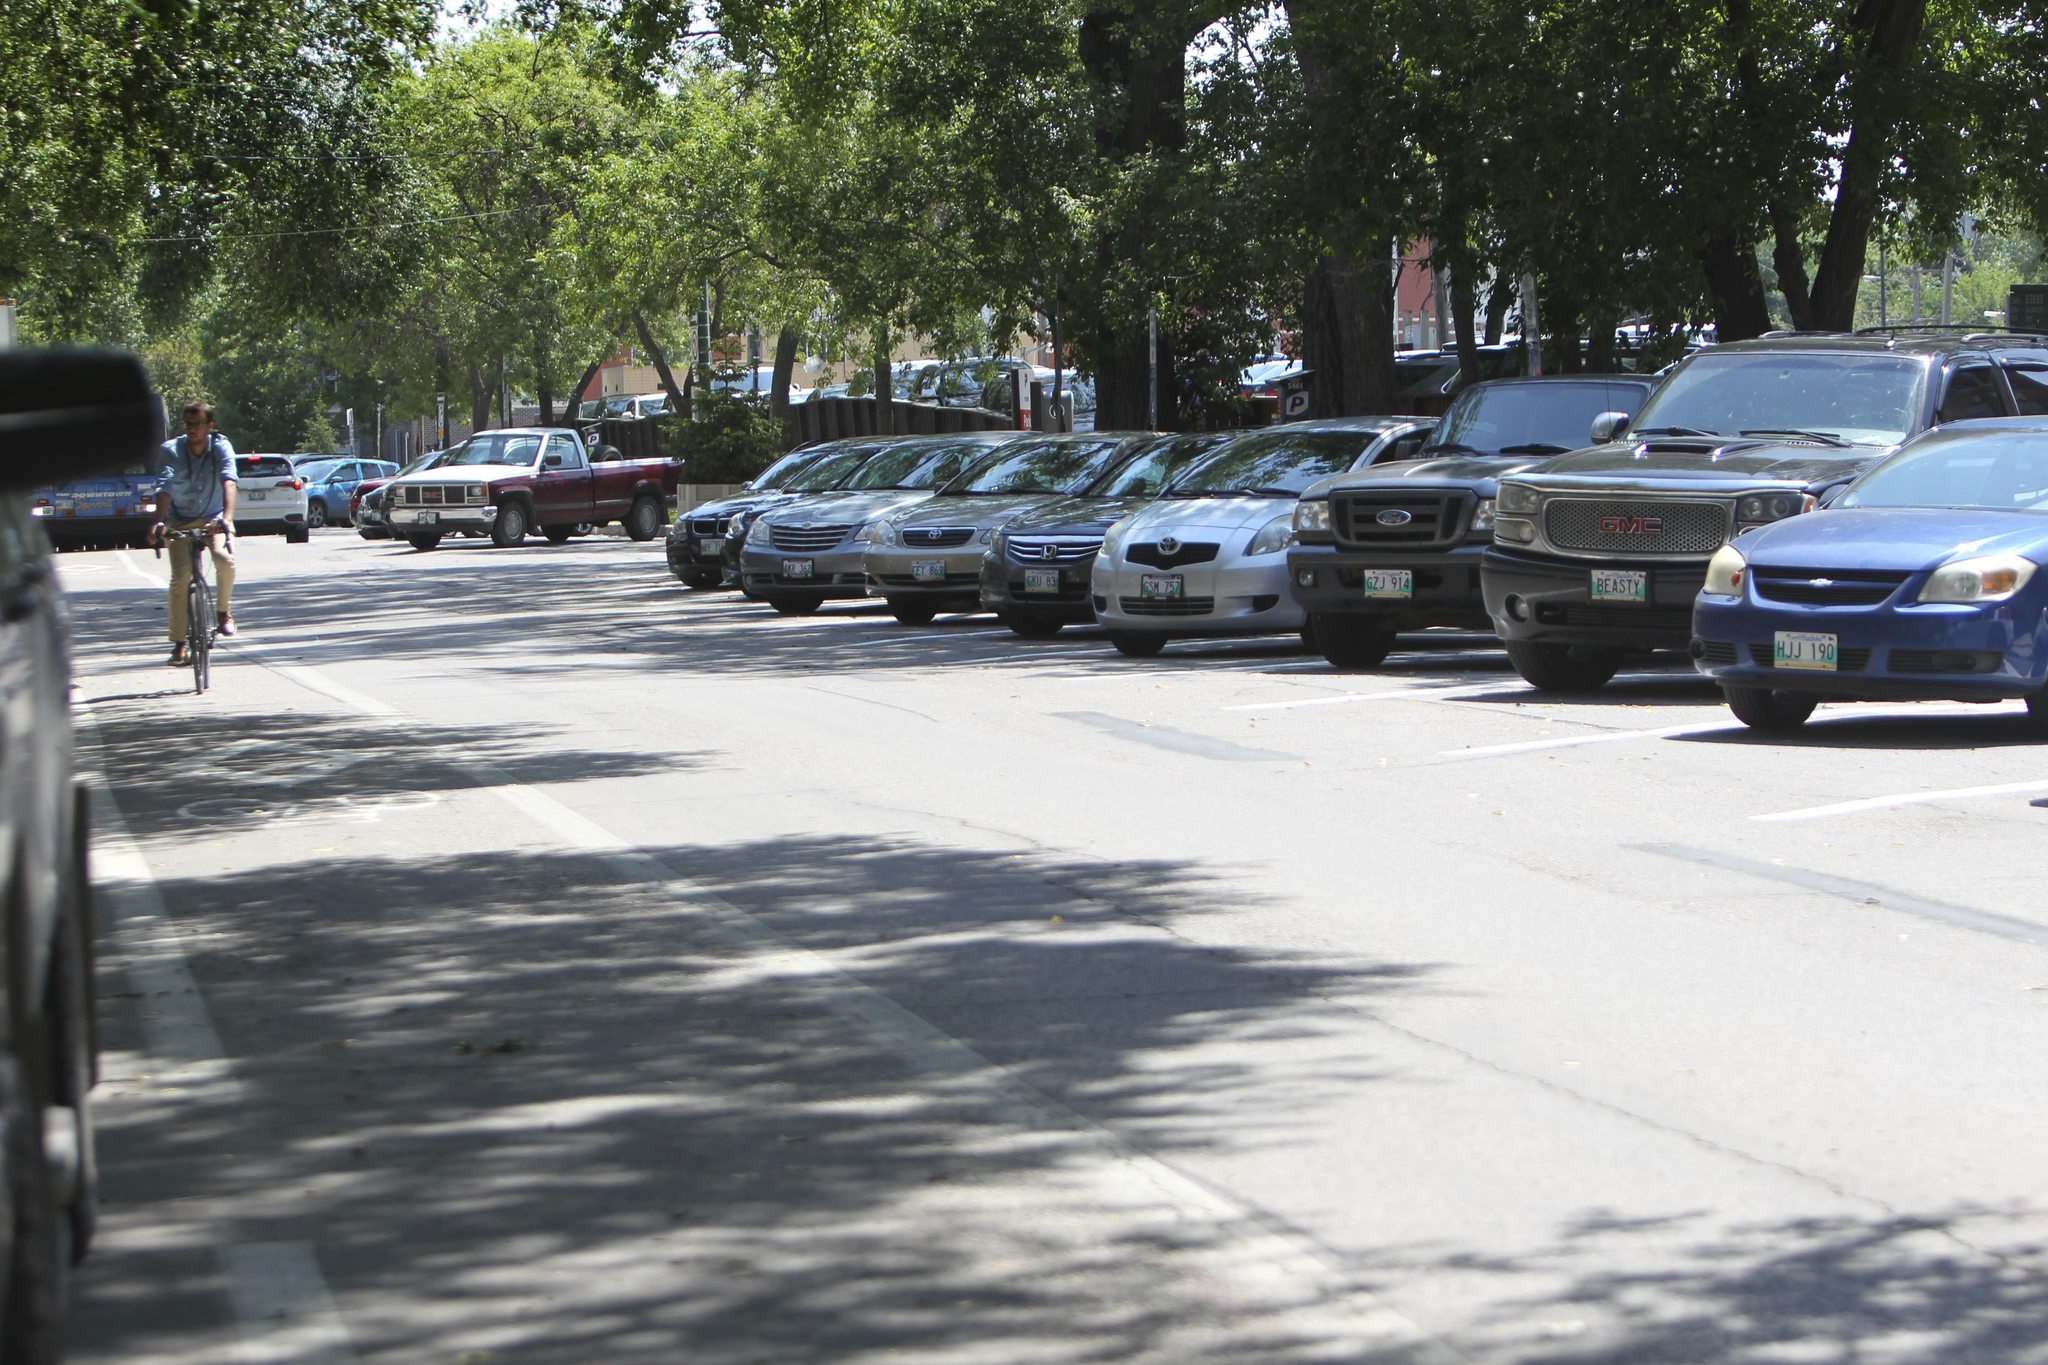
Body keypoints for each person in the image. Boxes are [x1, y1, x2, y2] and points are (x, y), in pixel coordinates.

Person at [151, 400, 238, 665]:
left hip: (214, 519)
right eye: (188, 424)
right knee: (180, 577)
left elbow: (229, 481)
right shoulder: (171, 451)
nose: (192, 429)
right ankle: (179, 644)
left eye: (197, 424)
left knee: (224, 559)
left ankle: (223, 612)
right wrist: (158, 522)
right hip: (179, 520)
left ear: (209, 426)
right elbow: (164, 486)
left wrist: (226, 519)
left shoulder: (220, 446)